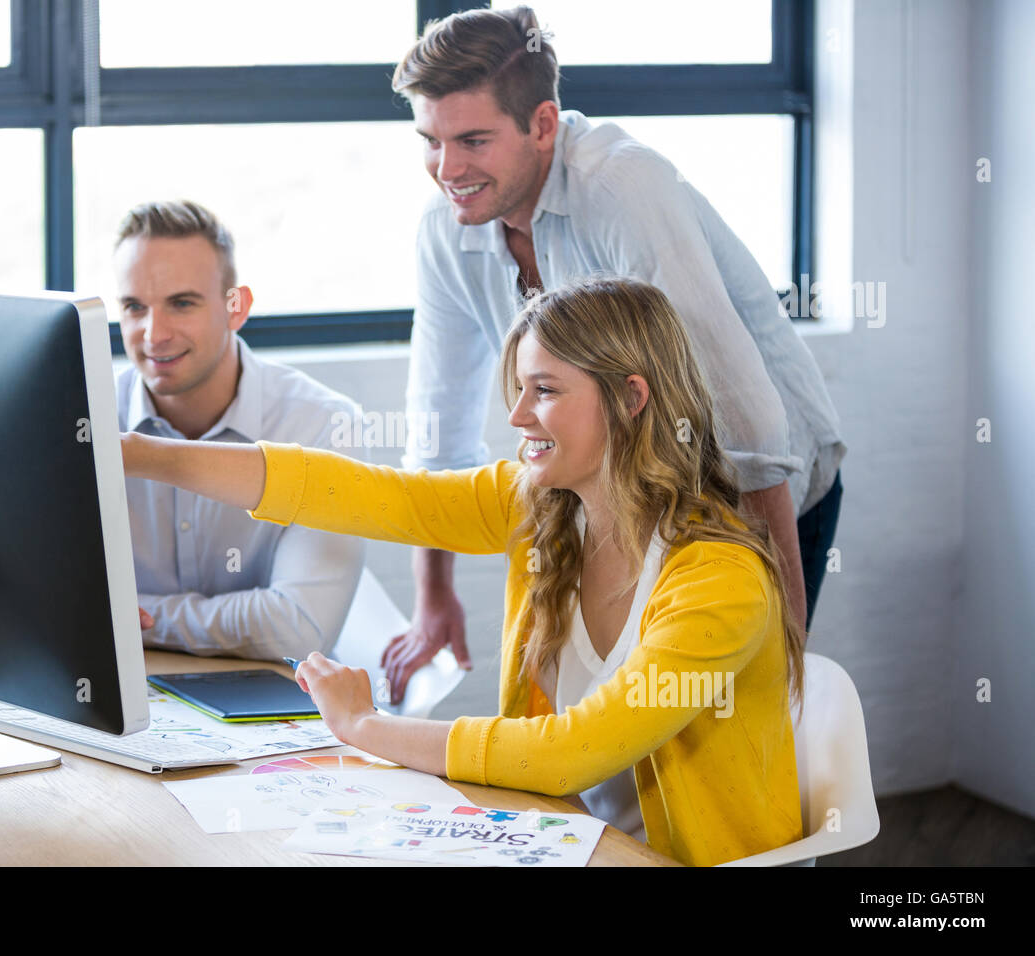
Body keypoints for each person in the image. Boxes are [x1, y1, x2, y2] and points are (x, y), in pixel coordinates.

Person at [122, 277, 806, 867]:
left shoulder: (719, 579)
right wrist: (138, 454)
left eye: (544, 390)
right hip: (564, 838)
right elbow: (364, 492)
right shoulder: (541, 507)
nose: (515, 415)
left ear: (631, 398)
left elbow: (572, 753)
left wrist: (367, 726)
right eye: (518, 387)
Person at [382, 4, 845, 705]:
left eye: (472, 140)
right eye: (430, 141)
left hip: (758, 487)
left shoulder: (624, 187)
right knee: (617, 724)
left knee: (733, 718)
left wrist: (782, 655)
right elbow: (436, 424)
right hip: (628, 504)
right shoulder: (444, 232)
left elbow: (748, 429)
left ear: (542, 124)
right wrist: (433, 598)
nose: (446, 169)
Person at [113, 199, 365, 662]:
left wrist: (141, 618)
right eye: (134, 307)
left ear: (236, 307)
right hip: (127, 699)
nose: (153, 334)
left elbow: (298, 628)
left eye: (181, 303)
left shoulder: (323, 426)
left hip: (273, 706)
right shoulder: (84, 419)